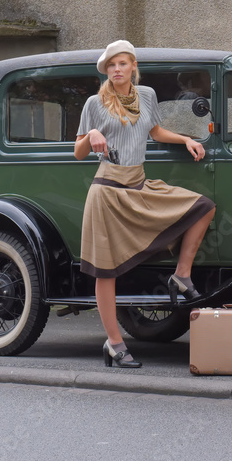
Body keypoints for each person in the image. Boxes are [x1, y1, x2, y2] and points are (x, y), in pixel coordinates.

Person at [74, 40, 216, 368]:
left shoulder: (147, 96)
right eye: (112, 65)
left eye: (123, 63)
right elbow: (78, 151)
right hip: (107, 192)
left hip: (138, 185)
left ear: (133, 66)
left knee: (203, 207)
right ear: (107, 71)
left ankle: (182, 276)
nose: (118, 69)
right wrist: (92, 134)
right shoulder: (95, 104)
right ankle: (114, 343)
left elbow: (155, 131)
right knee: (105, 273)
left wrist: (186, 139)